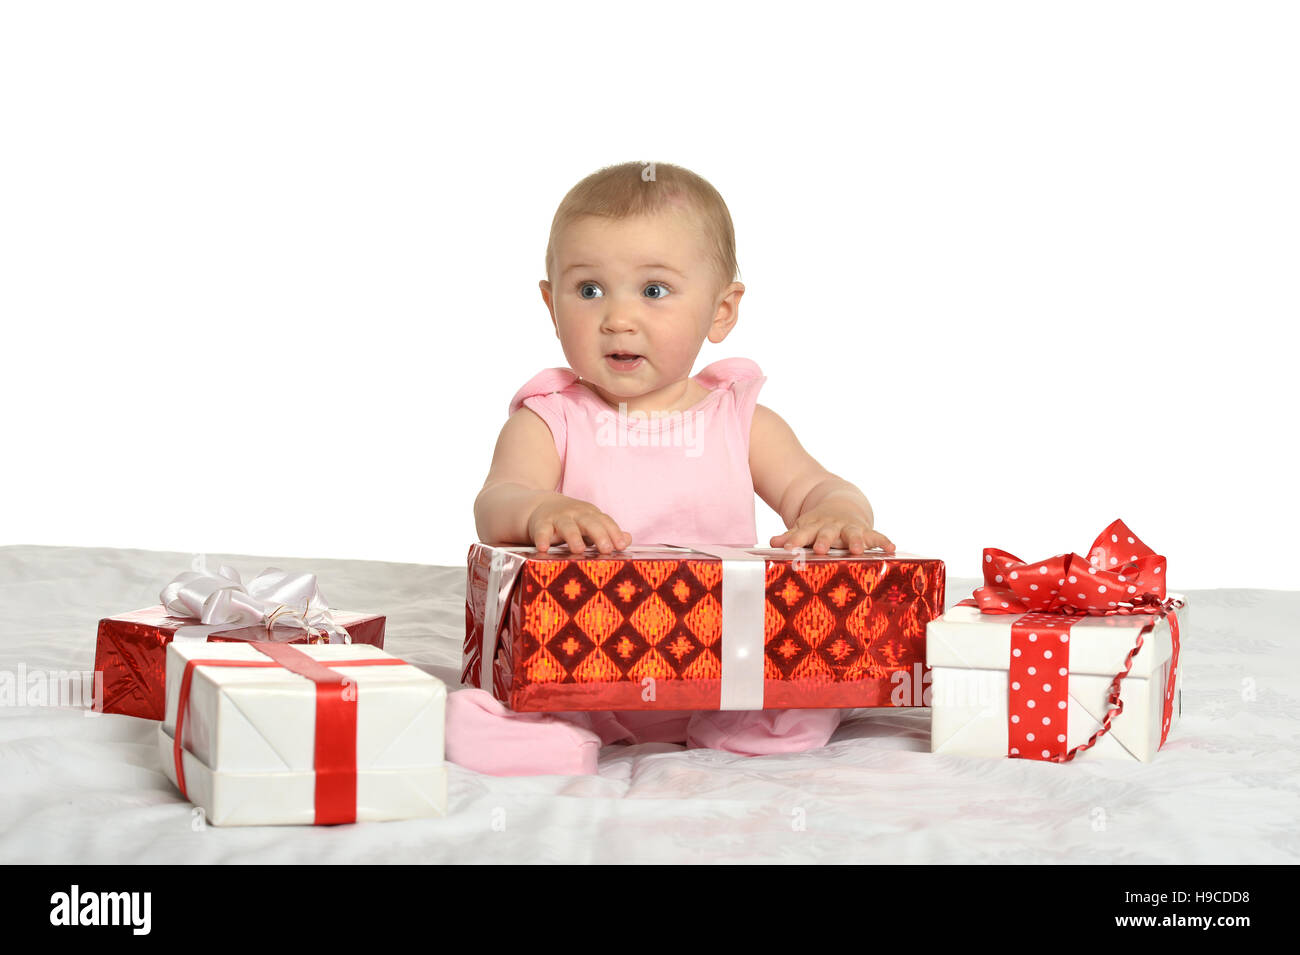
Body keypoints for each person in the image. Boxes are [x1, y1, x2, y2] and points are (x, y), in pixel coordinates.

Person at [450, 161, 895, 775]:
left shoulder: (737, 418)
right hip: (584, 659)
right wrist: (541, 509)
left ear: (721, 311)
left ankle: (740, 725)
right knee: (503, 703)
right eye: (589, 290)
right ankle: (552, 732)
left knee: (809, 684)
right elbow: (495, 502)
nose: (618, 318)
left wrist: (837, 515)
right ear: (551, 304)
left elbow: (814, 485)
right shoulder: (551, 419)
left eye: (653, 291)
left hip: (718, 666)